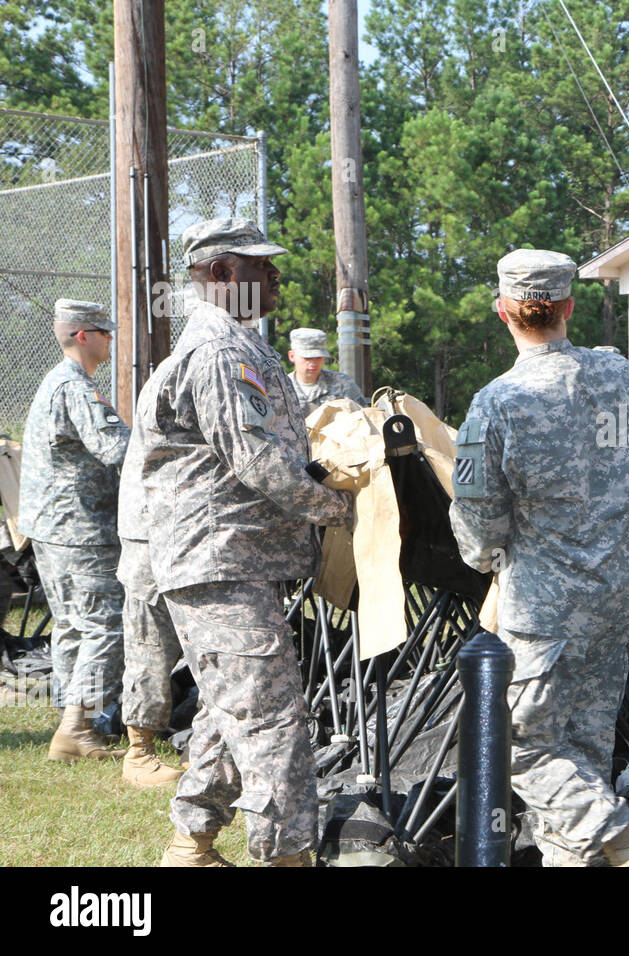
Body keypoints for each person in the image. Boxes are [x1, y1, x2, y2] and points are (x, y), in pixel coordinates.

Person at [449, 249, 629, 867]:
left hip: (542, 607)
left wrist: (487, 557)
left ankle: (625, 846)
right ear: (569, 307)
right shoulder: (627, 381)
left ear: (504, 310)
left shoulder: (496, 403)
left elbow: (479, 520)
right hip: (614, 595)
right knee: (582, 753)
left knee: (519, 747)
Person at [138, 218, 354, 867]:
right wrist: (343, 508)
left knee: (229, 713)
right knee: (274, 722)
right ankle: (288, 856)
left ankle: (192, 845)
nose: (275, 275)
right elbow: (260, 461)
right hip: (219, 560)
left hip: (231, 559)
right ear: (226, 275)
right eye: (261, 266)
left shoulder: (239, 344)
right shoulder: (222, 351)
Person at [17, 299, 130, 763]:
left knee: (71, 624)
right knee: (105, 623)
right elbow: (118, 448)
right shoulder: (76, 387)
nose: (110, 338)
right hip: (81, 529)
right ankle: (77, 727)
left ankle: (72, 718)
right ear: (83, 335)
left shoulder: (56, 382)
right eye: (104, 331)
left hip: (53, 527)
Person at [116, 371, 184, 788]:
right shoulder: (178, 378)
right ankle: (139, 754)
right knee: (150, 643)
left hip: (176, 530)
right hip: (152, 532)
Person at [287, 327, 366, 416]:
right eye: (307, 358)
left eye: (318, 357)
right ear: (292, 356)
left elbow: (363, 417)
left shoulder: (342, 383)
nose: (313, 363)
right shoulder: (282, 386)